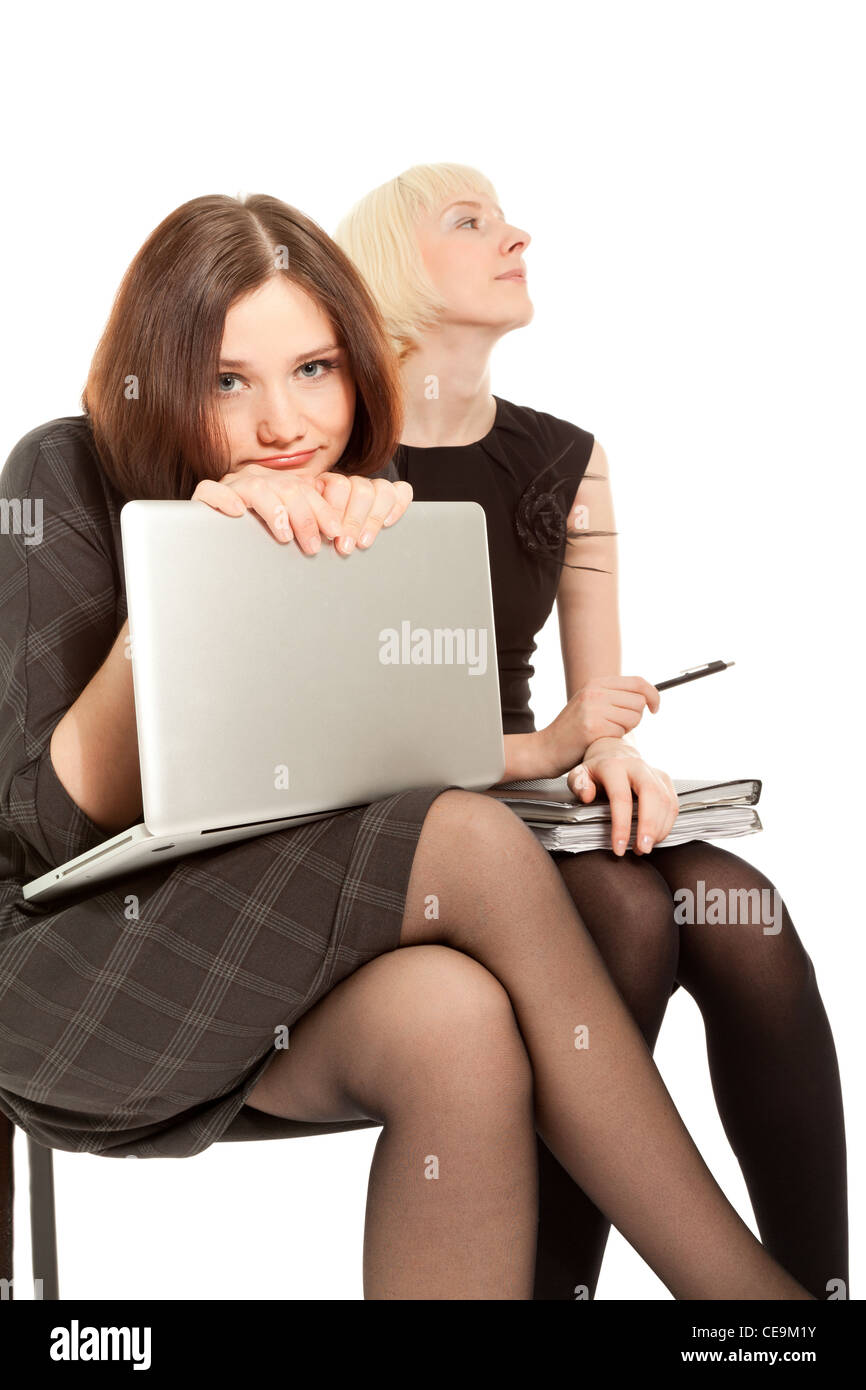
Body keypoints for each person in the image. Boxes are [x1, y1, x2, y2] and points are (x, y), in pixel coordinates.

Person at [0, 193, 814, 1301]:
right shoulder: (59, 474)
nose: (284, 422)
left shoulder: (357, 497)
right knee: (471, 844)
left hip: (271, 960)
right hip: (69, 968)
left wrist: (546, 748)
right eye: (228, 380)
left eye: (316, 370)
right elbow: (46, 829)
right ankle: (755, 1313)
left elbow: (373, 777)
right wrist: (195, 578)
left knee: (457, 1017)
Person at [335, 163, 848, 1301]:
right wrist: (552, 744)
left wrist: (611, 754)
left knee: (743, 913)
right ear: (388, 269)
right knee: (624, 906)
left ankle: (819, 1298)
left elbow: (592, 699)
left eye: (503, 214)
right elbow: (341, 732)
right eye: (469, 221)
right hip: (414, 830)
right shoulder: (330, 459)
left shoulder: (568, 460)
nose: (515, 233)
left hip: (527, 799)